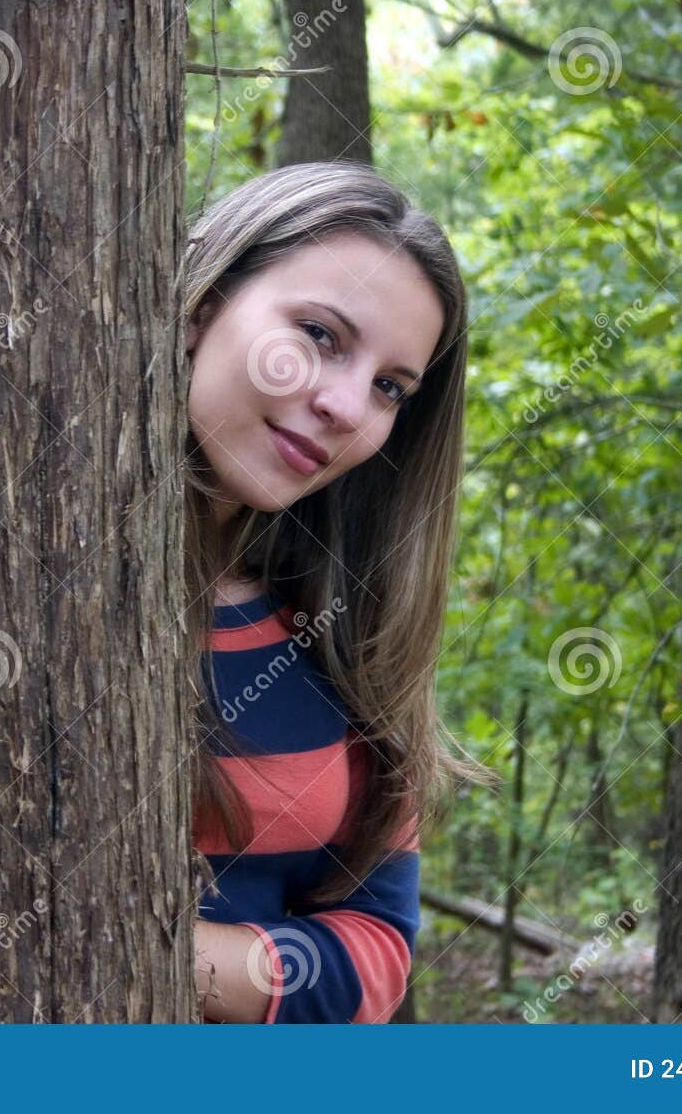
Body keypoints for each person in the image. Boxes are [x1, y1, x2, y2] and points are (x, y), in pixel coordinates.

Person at [182, 161, 498, 1023]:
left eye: (391, 386)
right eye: (320, 335)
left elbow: (377, 954)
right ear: (204, 300)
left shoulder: (336, 629)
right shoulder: (22, 576)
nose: (350, 407)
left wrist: (158, 955)